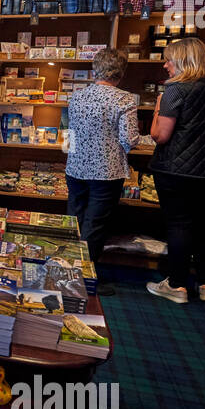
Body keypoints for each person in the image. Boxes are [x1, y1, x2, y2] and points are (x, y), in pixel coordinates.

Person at [145, 37, 205, 304]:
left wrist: (157, 108)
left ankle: (176, 285)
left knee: (179, 225)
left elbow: (160, 135)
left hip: (177, 170)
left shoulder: (175, 89)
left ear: (183, 61)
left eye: (169, 60)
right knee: (203, 224)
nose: (165, 65)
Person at [64, 48, 139, 281]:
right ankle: (84, 277)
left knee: (74, 220)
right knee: (94, 225)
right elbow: (129, 139)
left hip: (75, 168)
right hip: (106, 172)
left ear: (95, 69)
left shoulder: (77, 95)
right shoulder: (124, 99)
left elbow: (70, 134)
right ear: (121, 73)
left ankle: (65, 269)